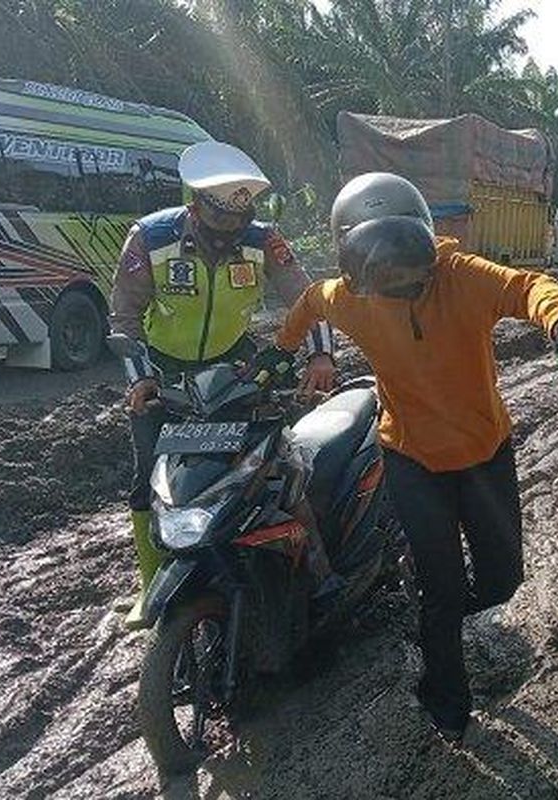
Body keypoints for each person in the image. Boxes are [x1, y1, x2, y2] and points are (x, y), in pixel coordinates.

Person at [274, 172, 558, 743]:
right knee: (440, 591)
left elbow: (528, 286)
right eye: (384, 275)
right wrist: (283, 350)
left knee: (503, 580)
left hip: (483, 452)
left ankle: (445, 611)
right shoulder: (344, 297)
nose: (402, 285)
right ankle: (445, 696)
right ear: (355, 265)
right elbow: (308, 303)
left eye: (410, 269)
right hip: (411, 456)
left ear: (424, 244)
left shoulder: (461, 275)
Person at [109, 141, 338, 630]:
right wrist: (140, 377)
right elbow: (124, 317)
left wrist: (321, 354)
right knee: (150, 480)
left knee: (275, 466)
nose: (230, 232)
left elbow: (309, 300)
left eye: (240, 219)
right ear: (195, 207)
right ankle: (151, 588)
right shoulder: (150, 238)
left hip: (235, 370)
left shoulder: (263, 239)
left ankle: (315, 571)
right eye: (220, 221)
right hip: (163, 374)